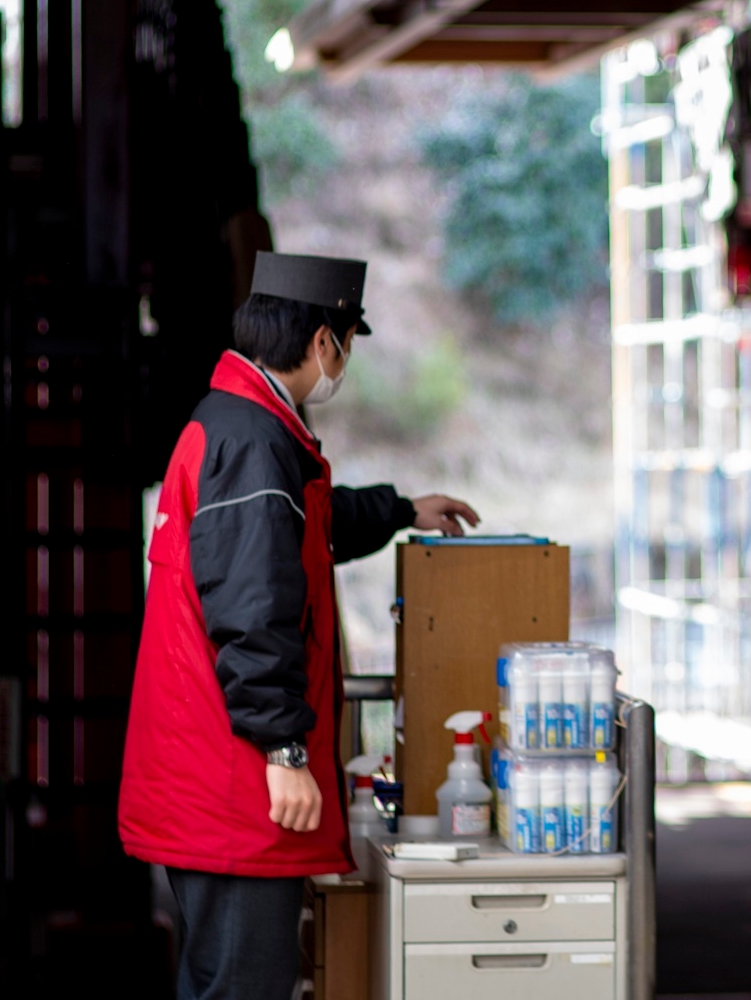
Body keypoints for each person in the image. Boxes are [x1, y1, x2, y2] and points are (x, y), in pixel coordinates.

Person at [120, 252, 481, 1000]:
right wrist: (284, 750)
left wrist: (399, 509)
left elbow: (305, 525)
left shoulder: (243, 423)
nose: (342, 359)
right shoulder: (252, 444)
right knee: (242, 987)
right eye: (346, 342)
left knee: (223, 981)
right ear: (322, 341)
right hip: (234, 780)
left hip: (213, 772)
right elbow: (251, 611)